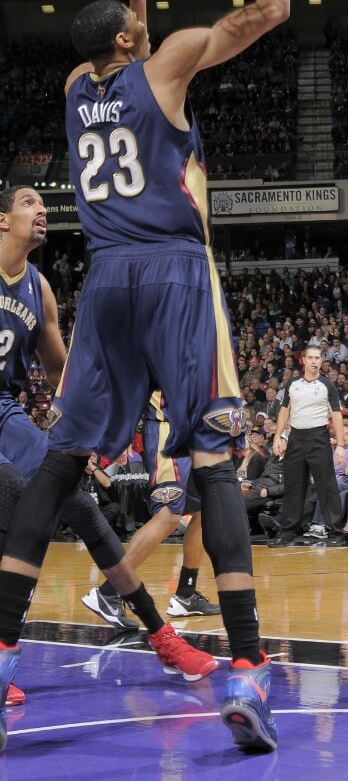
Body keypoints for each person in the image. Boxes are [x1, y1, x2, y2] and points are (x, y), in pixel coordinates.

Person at [0, 0, 289, 754]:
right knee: (213, 455)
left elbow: (138, 71)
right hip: (171, 269)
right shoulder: (157, 66)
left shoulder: (73, 92)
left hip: (106, 278)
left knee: (62, 459)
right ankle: (243, 666)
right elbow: (269, 9)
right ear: (132, 37)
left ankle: (1, 641)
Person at [0, 186, 217, 710]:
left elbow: (59, 372)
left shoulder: (39, 289)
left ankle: (161, 635)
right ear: (2, 220)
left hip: (5, 411)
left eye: (42, 204)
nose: (42, 209)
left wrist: (76, 424)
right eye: (29, 202)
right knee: (9, 495)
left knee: (80, 502)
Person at [82, 390, 221, 629]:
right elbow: (133, 386)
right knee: (169, 515)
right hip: (167, 431)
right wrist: (123, 435)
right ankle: (108, 591)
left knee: (202, 511)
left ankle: (186, 594)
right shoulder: (155, 352)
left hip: (193, 433)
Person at [270, 344, 345, 544]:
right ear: (303, 360)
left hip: (318, 437)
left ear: (321, 361)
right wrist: (278, 436)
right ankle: (287, 532)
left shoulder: (327, 385)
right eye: (310, 357)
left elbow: (336, 414)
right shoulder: (292, 384)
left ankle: (335, 531)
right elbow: (285, 410)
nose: (313, 361)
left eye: (317, 358)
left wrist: (339, 445)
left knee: (326, 485)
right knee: (294, 486)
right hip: (295, 437)